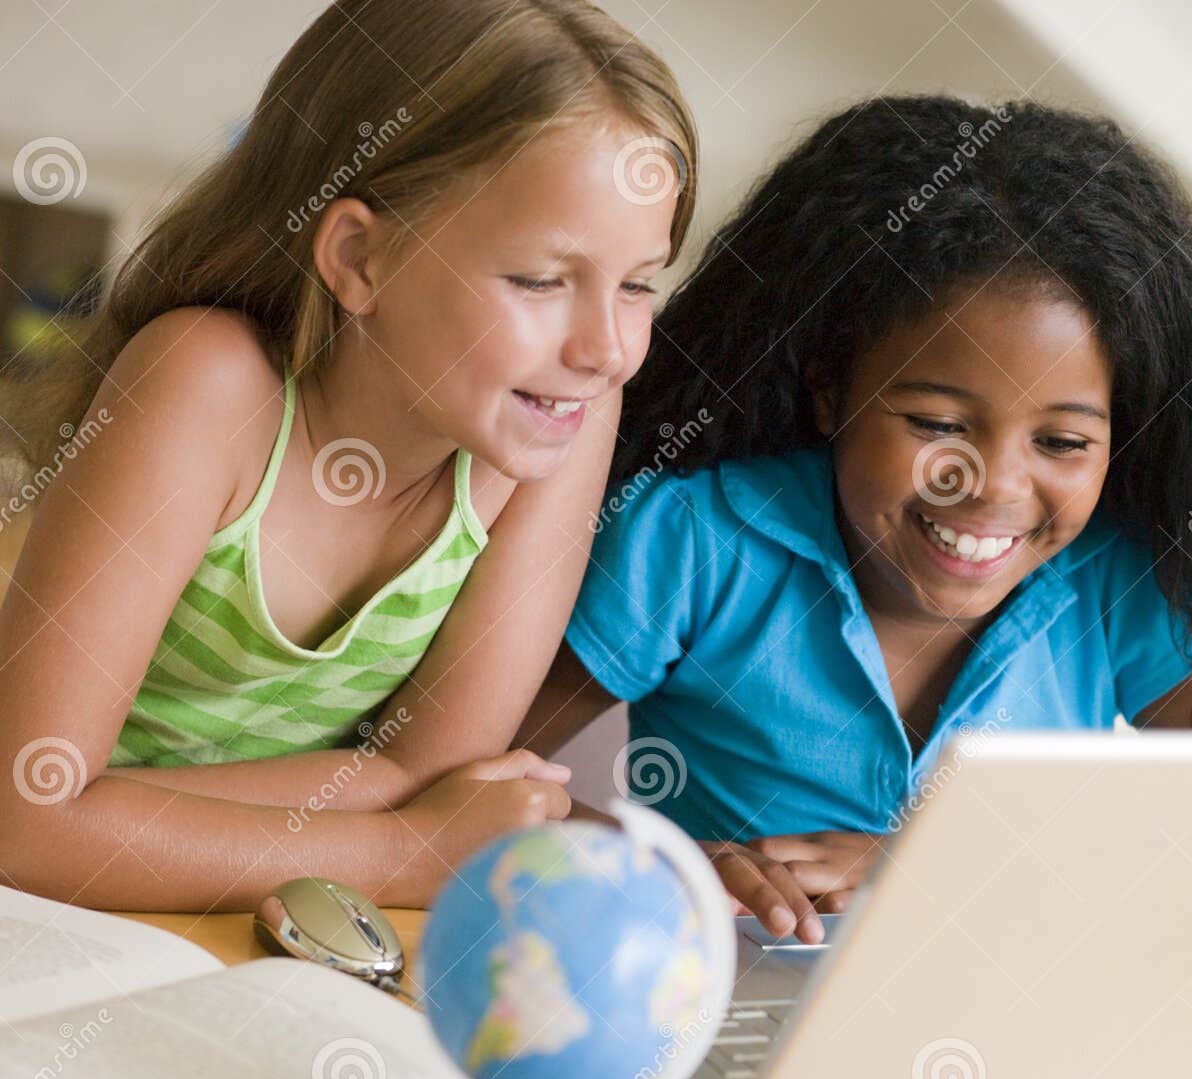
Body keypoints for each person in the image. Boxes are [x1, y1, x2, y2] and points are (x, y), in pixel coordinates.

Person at [518, 96, 1192, 941]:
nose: (993, 486)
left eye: (1062, 440)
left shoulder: (1118, 578)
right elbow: (487, 787)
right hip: (725, 990)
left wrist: (932, 866)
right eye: (937, 424)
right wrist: (670, 863)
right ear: (831, 390)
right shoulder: (692, 539)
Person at [0, 0, 694, 911]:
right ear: (361, 257)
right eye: (540, 280)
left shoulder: (559, 421)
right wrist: (400, 849)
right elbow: (27, 823)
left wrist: (105, 816)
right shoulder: (205, 385)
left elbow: (437, 770)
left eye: (639, 286)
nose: (605, 349)